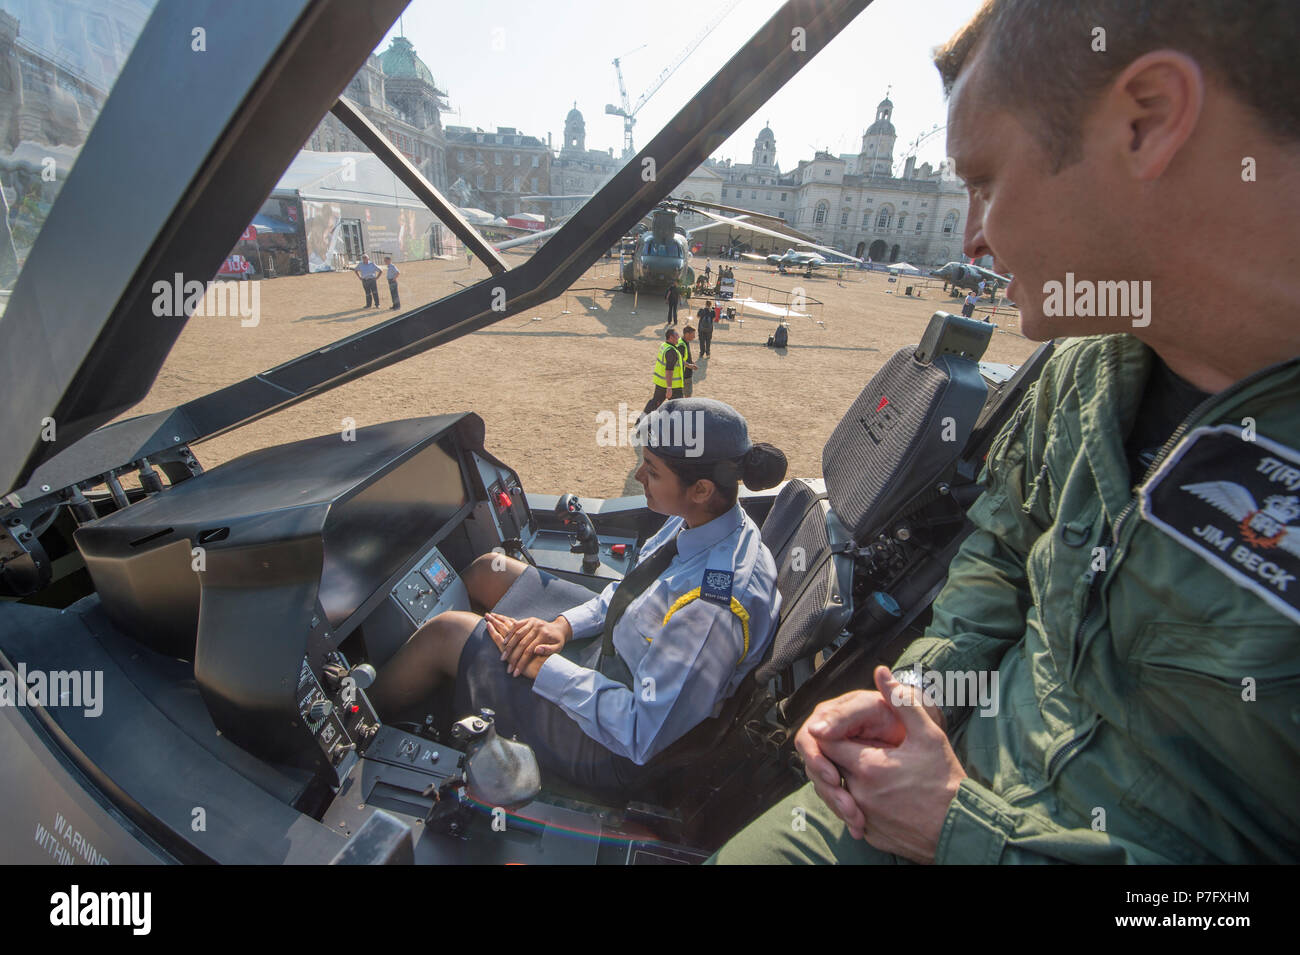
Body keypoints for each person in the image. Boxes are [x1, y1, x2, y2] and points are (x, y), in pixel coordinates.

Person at [712, 0, 1300, 864]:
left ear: (1148, 121)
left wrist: (969, 838)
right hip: (956, 778)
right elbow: (995, 566)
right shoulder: (1086, 364)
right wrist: (919, 692)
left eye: (985, 181)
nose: (971, 240)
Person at [368, 399, 788, 792]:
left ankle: (358, 724)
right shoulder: (704, 522)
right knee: (485, 571)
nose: (639, 477)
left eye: (652, 471)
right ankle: (471, 678)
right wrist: (562, 626)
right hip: (619, 655)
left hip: (614, 745)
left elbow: (641, 734)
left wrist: (543, 668)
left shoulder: (711, 609)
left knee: (447, 634)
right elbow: (630, 592)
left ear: (699, 488)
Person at [643, 327, 684, 416]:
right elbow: (669, 370)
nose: (678, 337)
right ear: (671, 337)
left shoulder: (664, 346)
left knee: (654, 403)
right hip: (673, 386)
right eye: (677, 335)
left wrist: (688, 365)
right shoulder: (671, 351)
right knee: (679, 407)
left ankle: (640, 422)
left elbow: (676, 361)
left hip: (661, 383)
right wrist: (669, 388)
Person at [677, 325, 698, 397]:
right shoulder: (681, 345)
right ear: (686, 334)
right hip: (685, 374)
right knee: (687, 397)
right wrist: (689, 365)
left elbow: (685, 356)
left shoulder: (684, 341)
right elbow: (678, 360)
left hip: (684, 374)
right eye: (693, 334)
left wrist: (691, 362)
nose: (694, 337)